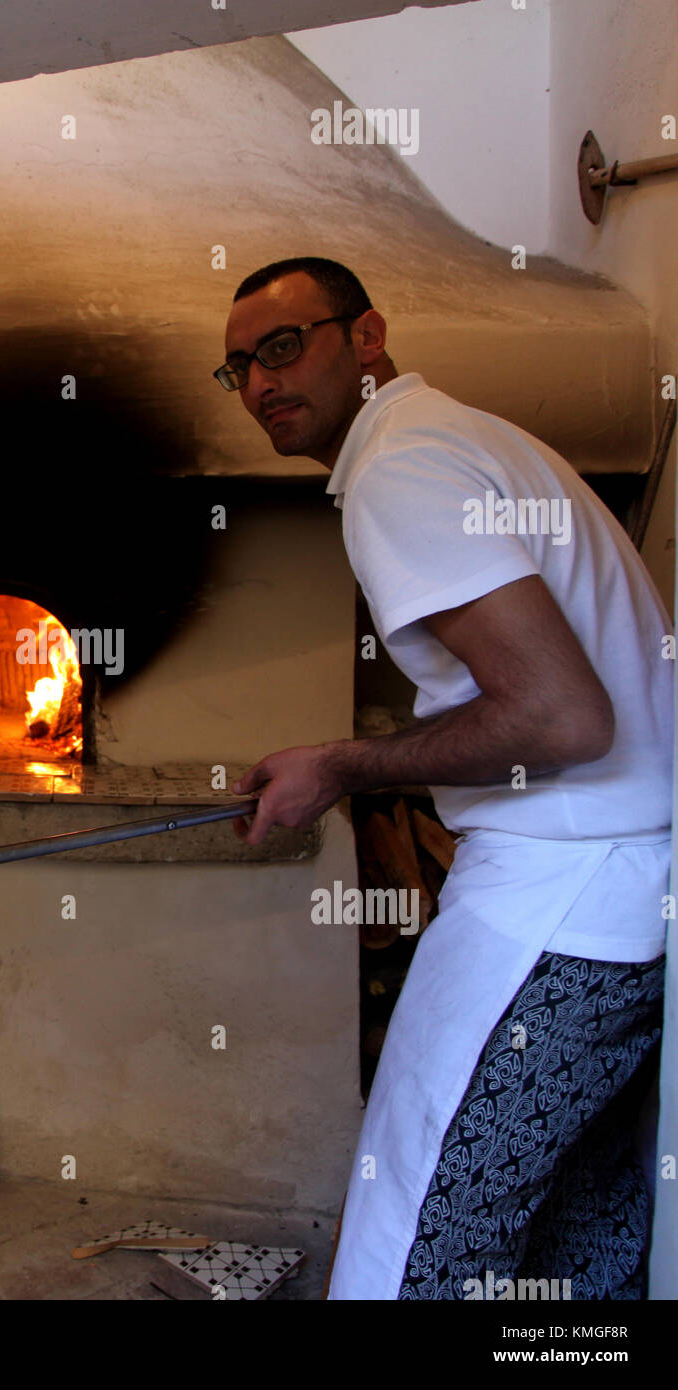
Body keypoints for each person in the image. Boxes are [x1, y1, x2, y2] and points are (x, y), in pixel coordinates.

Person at [216, 256, 672, 1299]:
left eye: (283, 346)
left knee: (412, 1244)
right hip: (623, 893)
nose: (259, 383)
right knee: (575, 1240)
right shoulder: (463, 438)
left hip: (556, 903)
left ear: (366, 337)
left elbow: (562, 716)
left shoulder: (403, 470)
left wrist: (340, 764)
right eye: (237, 367)